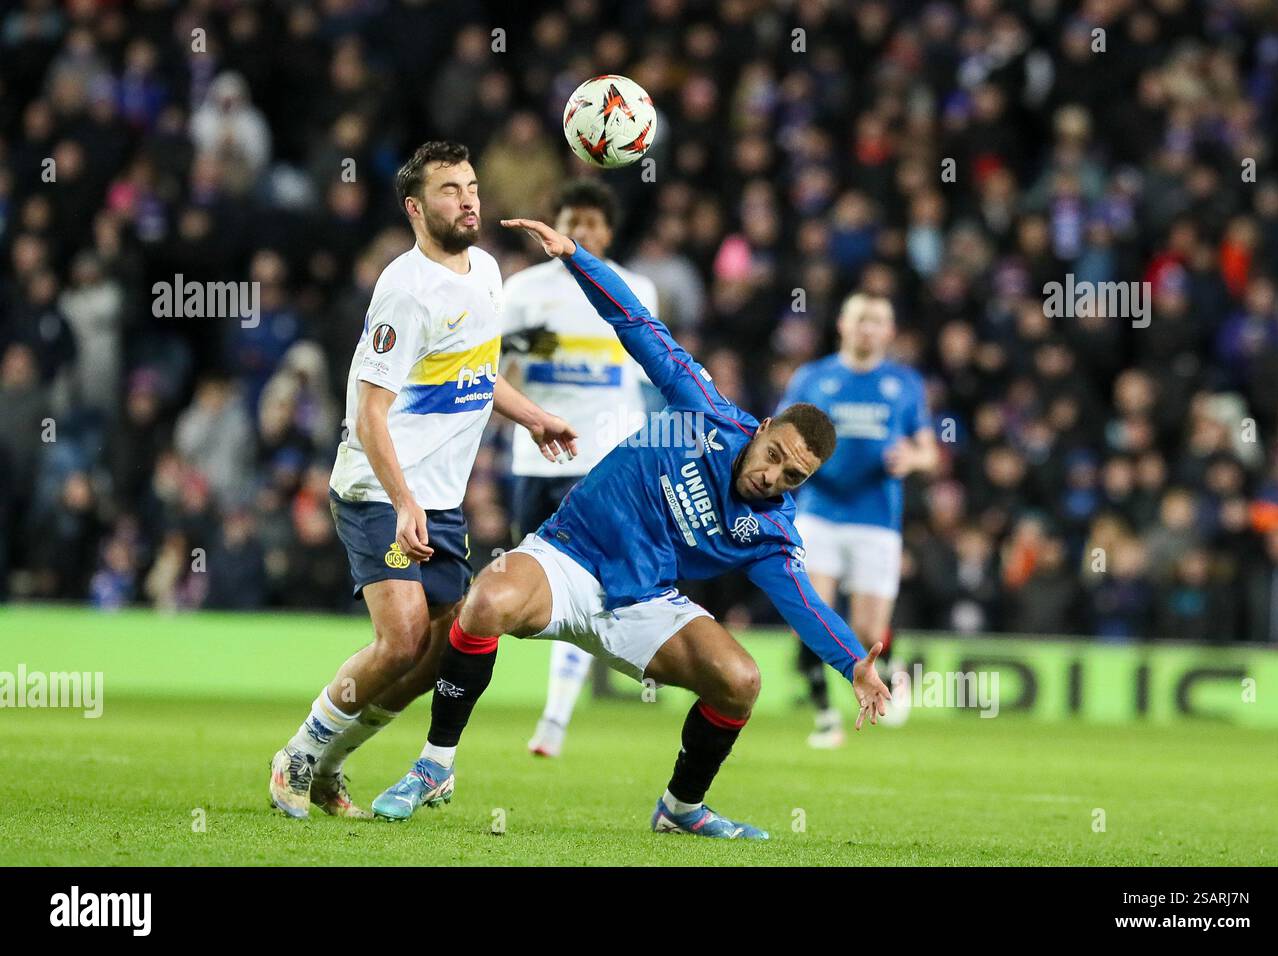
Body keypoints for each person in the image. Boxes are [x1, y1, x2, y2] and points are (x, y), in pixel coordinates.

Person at [369, 217, 892, 839]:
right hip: (568, 557)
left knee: (740, 682)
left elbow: (803, 603)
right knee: (486, 599)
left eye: (793, 477)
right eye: (775, 455)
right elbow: (642, 328)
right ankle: (435, 766)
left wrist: (854, 663)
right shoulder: (704, 413)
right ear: (764, 426)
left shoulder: (771, 532)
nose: (774, 477)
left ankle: (680, 809)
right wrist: (576, 258)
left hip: (645, 601)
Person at [268, 143, 577, 819]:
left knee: (436, 655)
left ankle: (330, 765)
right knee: (402, 637)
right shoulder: (404, 290)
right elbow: (369, 412)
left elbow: (478, 372)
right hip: (380, 489)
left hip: (441, 501)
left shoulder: (489, 272)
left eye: (470, 186)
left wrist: (534, 418)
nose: (467, 199)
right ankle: (297, 753)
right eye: (448, 190)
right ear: (415, 207)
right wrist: (404, 500)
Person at [500, 179, 658, 758]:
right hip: (533, 456)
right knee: (531, 596)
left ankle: (555, 717)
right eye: (573, 222)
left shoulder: (633, 288)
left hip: (601, 458)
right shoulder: (520, 289)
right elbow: (484, 363)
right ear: (556, 228)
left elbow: (651, 367)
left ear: (608, 233)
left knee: (582, 584)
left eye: (593, 224)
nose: (583, 233)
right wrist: (521, 344)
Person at [779, 294, 938, 746]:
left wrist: (913, 457)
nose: (869, 329)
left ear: (889, 332)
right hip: (819, 512)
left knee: (869, 630)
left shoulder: (904, 384)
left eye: (878, 322)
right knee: (811, 616)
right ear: (843, 326)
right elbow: (781, 432)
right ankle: (826, 715)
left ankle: (891, 672)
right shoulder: (813, 378)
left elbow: (929, 450)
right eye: (861, 320)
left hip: (876, 519)